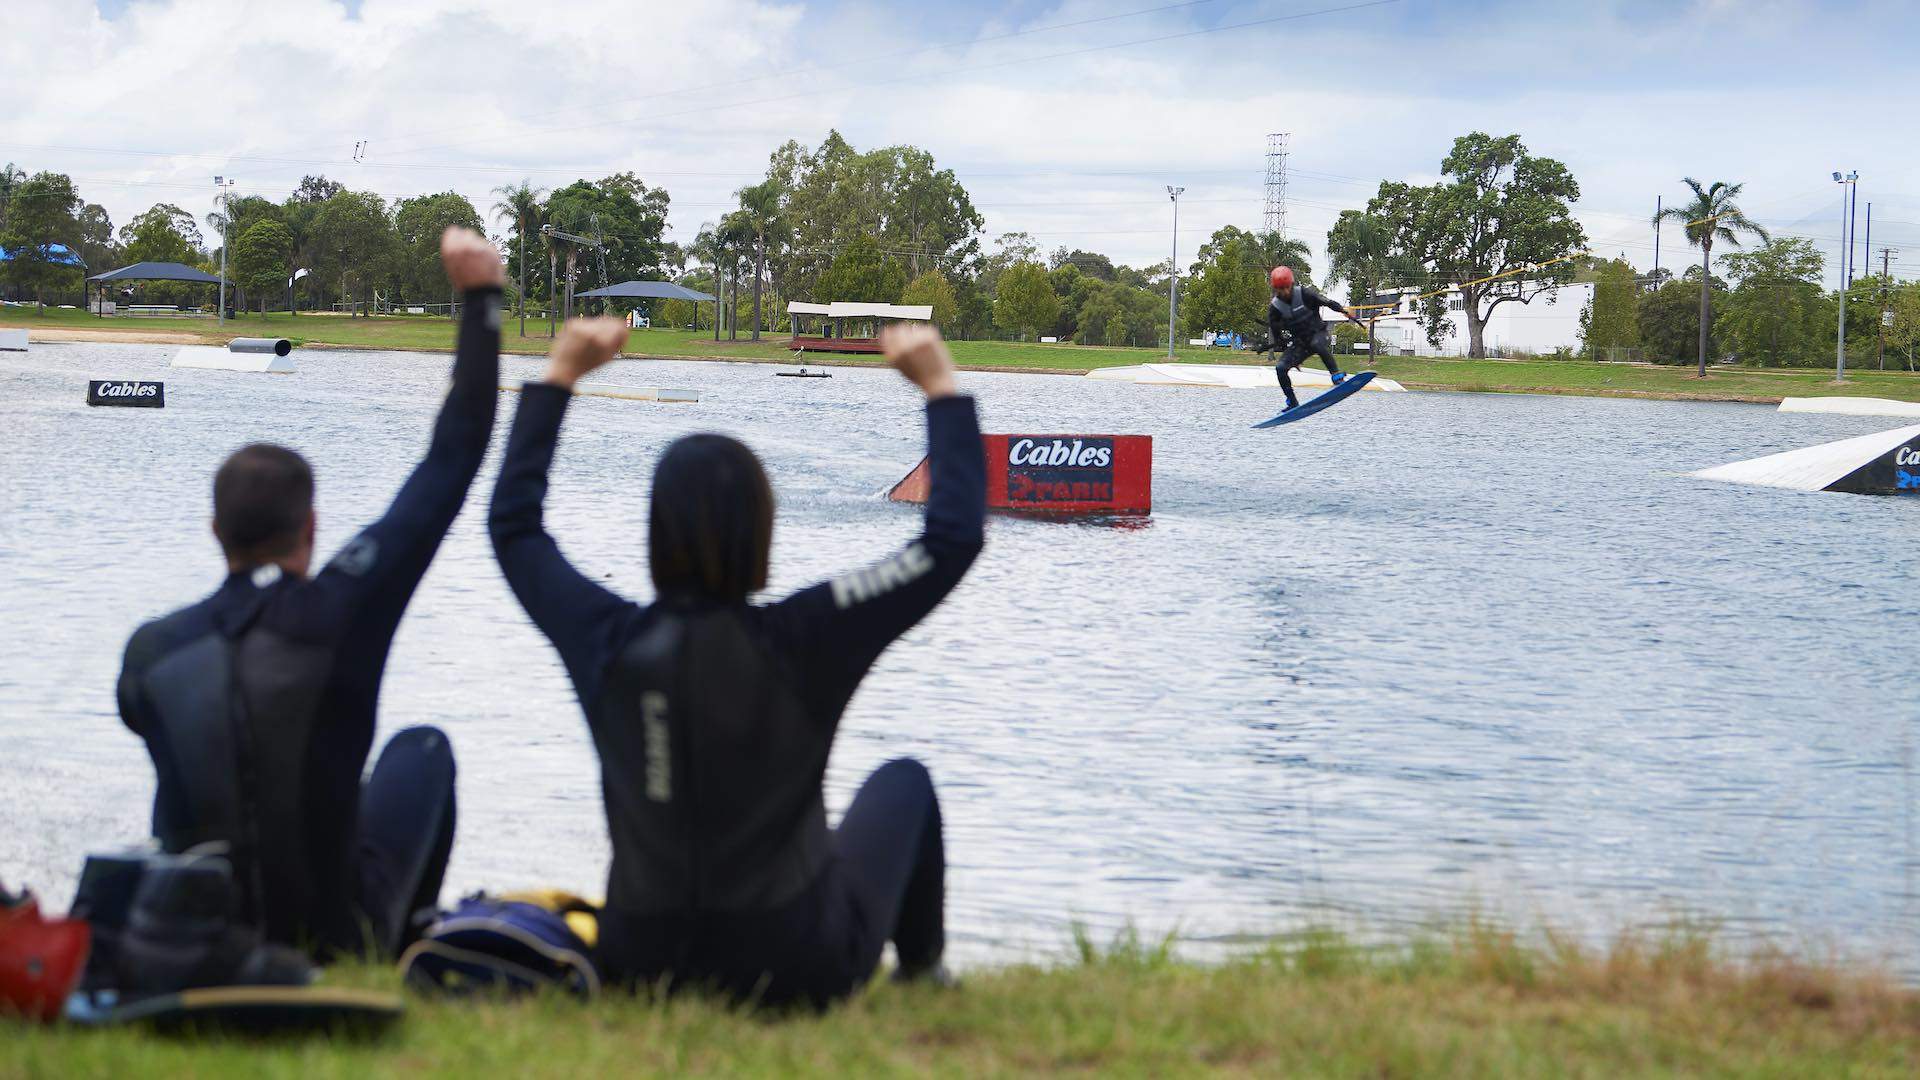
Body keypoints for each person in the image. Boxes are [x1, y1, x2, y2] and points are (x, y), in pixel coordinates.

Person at [488, 320, 985, 1008]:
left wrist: (559, 376)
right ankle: (922, 971)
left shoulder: (603, 637)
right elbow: (950, 539)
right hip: (797, 966)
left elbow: (515, 530)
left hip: (638, 958)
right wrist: (939, 388)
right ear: (763, 531)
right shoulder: (811, 634)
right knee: (904, 782)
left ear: (654, 531)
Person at [114, 226, 505, 962]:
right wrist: (481, 298)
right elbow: (451, 461)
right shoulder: (342, 610)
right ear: (312, 527)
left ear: (215, 531)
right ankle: (398, 949)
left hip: (200, 931)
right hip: (335, 932)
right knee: (421, 750)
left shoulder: (152, 650)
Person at [1263, 264, 1356, 411]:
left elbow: (1327, 302)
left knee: (1316, 344)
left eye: (1286, 287)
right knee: (1280, 368)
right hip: (1300, 344)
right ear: (1275, 289)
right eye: (1280, 289)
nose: (1284, 292)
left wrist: (1343, 311)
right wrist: (1291, 358)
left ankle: (1336, 376)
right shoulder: (1275, 308)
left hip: (1320, 334)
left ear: (1291, 284)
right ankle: (1292, 401)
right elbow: (1278, 337)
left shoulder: (1304, 294)